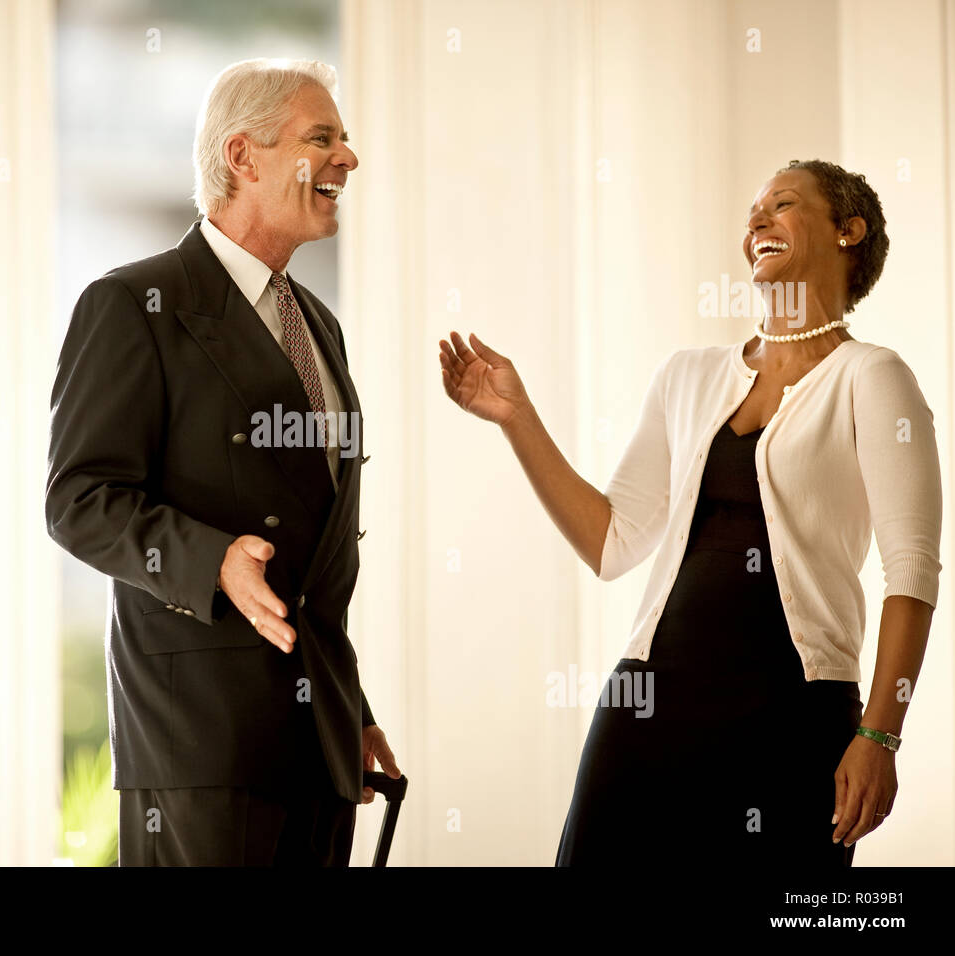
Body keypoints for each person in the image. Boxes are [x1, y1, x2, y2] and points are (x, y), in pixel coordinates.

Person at [440, 159, 941, 865]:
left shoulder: (873, 377)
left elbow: (912, 572)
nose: (756, 222)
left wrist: (880, 735)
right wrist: (517, 418)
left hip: (793, 716)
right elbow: (612, 542)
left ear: (848, 232)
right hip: (648, 705)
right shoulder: (688, 374)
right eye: (752, 212)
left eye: (783, 205)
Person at [46, 58, 399, 866]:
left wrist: (348, 707)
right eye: (323, 137)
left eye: (346, 138)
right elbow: (78, 499)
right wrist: (213, 563)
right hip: (199, 749)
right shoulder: (133, 305)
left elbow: (313, 554)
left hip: (317, 746)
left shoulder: (318, 323)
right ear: (243, 156)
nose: (349, 158)